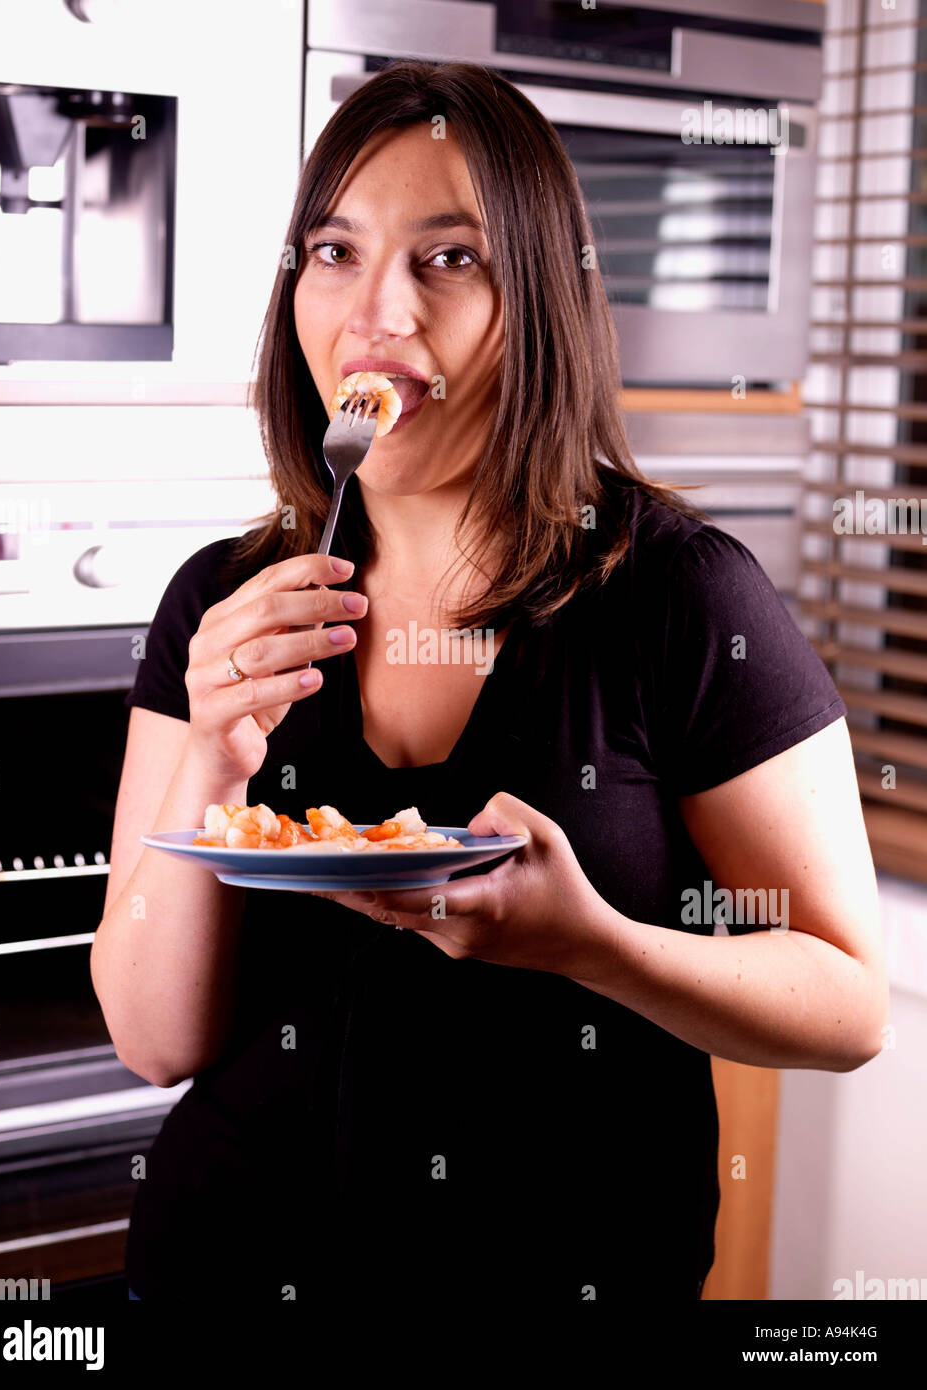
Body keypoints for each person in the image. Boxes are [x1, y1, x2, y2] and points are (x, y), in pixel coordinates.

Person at [91, 60, 888, 1309]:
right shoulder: (221, 602)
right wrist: (212, 756)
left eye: (447, 258)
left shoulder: (680, 598)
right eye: (335, 251)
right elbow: (153, 1040)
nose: (377, 314)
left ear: (543, 301)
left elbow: (846, 1004)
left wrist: (595, 947)